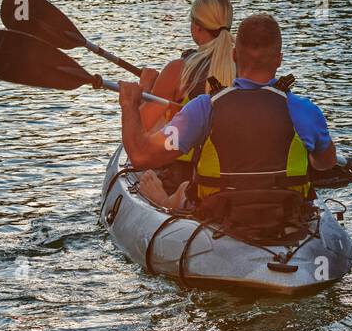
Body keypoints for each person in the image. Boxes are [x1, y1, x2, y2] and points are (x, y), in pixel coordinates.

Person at [119, 13, 337, 213]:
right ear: (279, 59)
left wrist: (129, 105)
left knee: (184, 189)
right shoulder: (306, 111)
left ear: (234, 55)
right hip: (288, 216)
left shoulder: (204, 109)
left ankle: (164, 201)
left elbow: (140, 156)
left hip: (219, 216)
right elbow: (325, 164)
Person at [137, 0, 236, 135]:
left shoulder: (178, 69)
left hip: (184, 156)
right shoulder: (247, 65)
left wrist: (144, 89)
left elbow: (139, 127)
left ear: (196, 27)